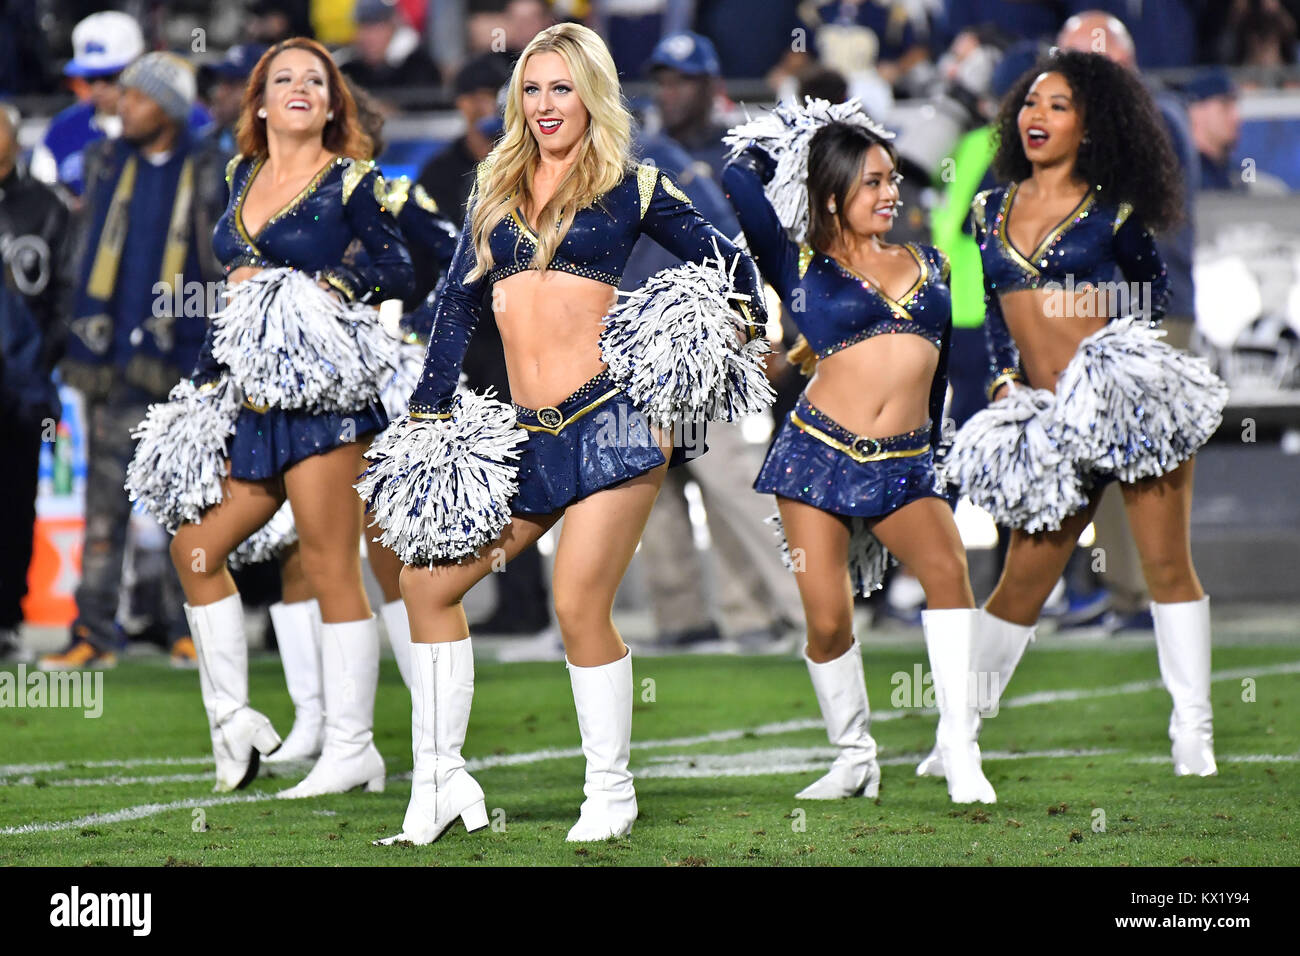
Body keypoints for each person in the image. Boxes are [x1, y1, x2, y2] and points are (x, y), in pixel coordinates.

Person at [370, 22, 765, 845]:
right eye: (533, 88)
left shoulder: (633, 186)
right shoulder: (495, 191)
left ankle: (611, 792)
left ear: (592, 94)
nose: (546, 104)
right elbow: (456, 308)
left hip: (610, 425)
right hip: (520, 437)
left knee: (578, 603)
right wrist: (429, 415)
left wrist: (692, 354)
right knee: (425, 586)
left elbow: (736, 269)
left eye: (562, 87)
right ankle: (440, 781)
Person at [935, 50, 1226, 780]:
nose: (1037, 116)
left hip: (1126, 412)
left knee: (1165, 565)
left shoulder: (1114, 211)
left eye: (1059, 106)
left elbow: (1153, 295)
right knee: (1021, 585)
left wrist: (1116, 368)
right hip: (1048, 426)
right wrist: (1004, 381)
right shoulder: (988, 207)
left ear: (1090, 127)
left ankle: (1193, 732)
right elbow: (997, 318)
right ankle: (958, 734)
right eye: (1032, 103)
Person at [161, 38, 413, 794]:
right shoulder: (240, 173)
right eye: (283, 79)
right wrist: (202, 388)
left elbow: (399, 265)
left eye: (316, 79)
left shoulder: (352, 181)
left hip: (328, 404)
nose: (300, 87)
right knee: (197, 550)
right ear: (261, 103)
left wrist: (328, 285)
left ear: (334, 104)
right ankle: (233, 723)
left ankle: (352, 745)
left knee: (332, 566)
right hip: (255, 406)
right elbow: (235, 297)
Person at [723, 116, 996, 805]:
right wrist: (787, 138)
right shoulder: (801, 267)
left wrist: (930, 445)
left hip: (906, 463)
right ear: (833, 192)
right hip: (813, 458)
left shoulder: (930, 261)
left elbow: (934, 377)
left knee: (948, 571)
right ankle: (854, 758)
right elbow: (737, 182)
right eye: (872, 181)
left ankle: (960, 748)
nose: (889, 193)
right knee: (827, 620)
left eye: (892, 179)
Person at [627, 31, 804, 653]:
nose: (669, 92)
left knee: (728, 477)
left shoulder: (743, 156)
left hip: (709, 340)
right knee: (650, 486)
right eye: (663, 81)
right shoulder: (636, 150)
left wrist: (771, 334)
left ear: (710, 86)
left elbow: (773, 249)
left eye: (681, 81)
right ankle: (682, 619)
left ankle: (792, 611)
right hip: (633, 337)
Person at [39, 53, 210, 673]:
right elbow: (85, 261)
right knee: (104, 507)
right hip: (109, 362)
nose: (120, 107)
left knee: (184, 507)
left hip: (186, 363)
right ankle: (94, 632)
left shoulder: (208, 166)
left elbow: (215, 267)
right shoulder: (106, 163)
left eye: (135, 98)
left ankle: (183, 627)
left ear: (163, 108)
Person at [1056, 11, 1200, 633]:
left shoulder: (1154, 118)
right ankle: (1125, 596)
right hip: (1101, 316)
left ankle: (1157, 599)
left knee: (1149, 463)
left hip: (1151, 312)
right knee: (1103, 462)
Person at [415, 52, 557, 643]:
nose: (481, 106)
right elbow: (428, 261)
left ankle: (539, 605)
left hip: (524, 340)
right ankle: (511, 599)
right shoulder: (441, 172)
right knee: (489, 474)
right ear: (460, 103)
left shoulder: (532, 163)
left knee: (531, 470)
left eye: (489, 95)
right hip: (466, 343)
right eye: (472, 96)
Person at [0, 105, 75, 662]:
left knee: (15, 499)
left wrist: (41, 360)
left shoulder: (47, 207)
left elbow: (67, 294)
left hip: (22, 387)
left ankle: (7, 620)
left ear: (15, 136)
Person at [31, 11, 210, 201]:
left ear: (139, 63)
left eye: (110, 77)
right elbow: (39, 200)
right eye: (90, 79)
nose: (99, 88)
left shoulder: (192, 120)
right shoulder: (61, 131)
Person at [338, 0, 440, 106]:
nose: (369, 37)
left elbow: (432, 110)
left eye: (377, 27)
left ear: (394, 27)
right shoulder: (350, 70)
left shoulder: (419, 66)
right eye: (364, 27)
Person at [1184, 69, 1244, 192]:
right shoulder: (1183, 174)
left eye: (1234, 107)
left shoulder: (1236, 174)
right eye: (1225, 107)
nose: (1236, 117)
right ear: (1195, 112)